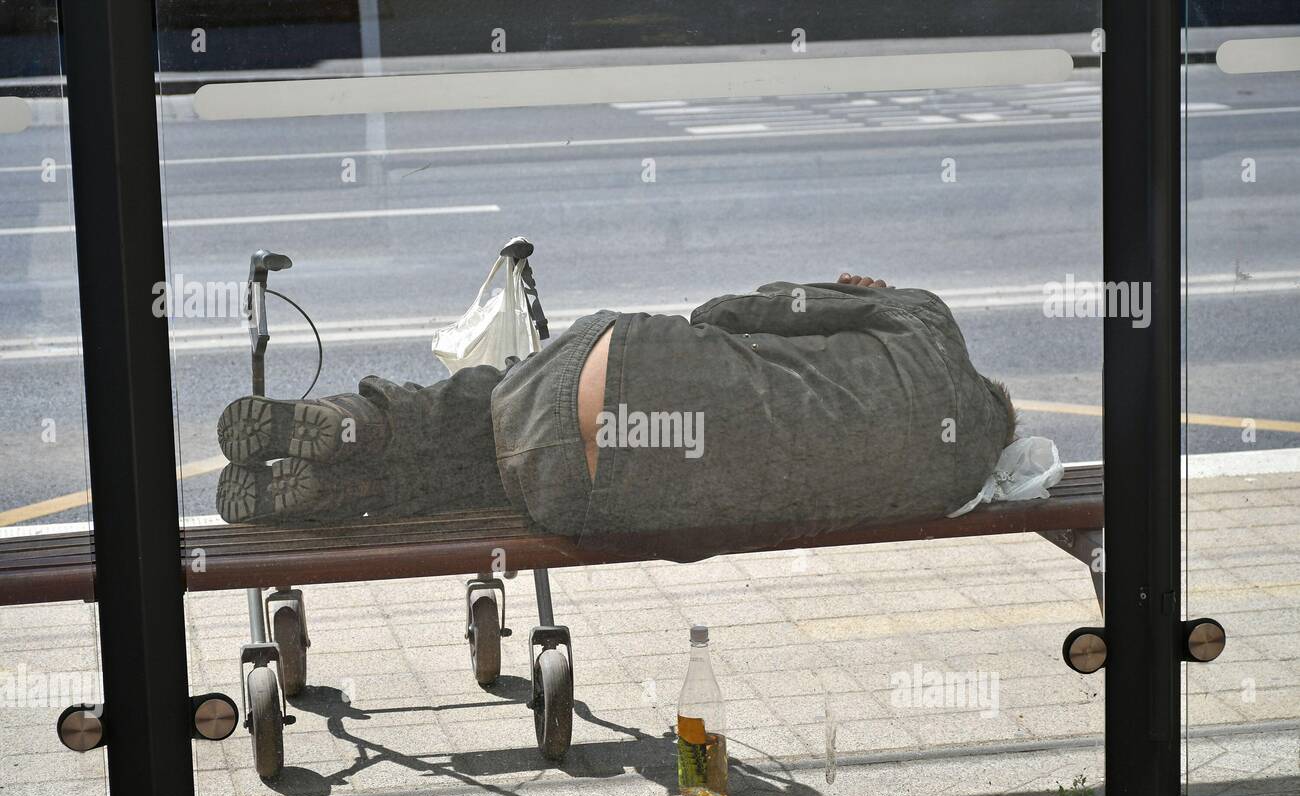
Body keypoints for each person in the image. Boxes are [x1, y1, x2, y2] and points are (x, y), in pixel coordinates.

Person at [216, 273, 1016, 563]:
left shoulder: (927, 322)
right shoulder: (954, 479)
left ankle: (356, 425)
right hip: (598, 496)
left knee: (480, 401)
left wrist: (857, 295)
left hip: (612, 376)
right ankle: (345, 491)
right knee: (494, 467)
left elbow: (734, 310)